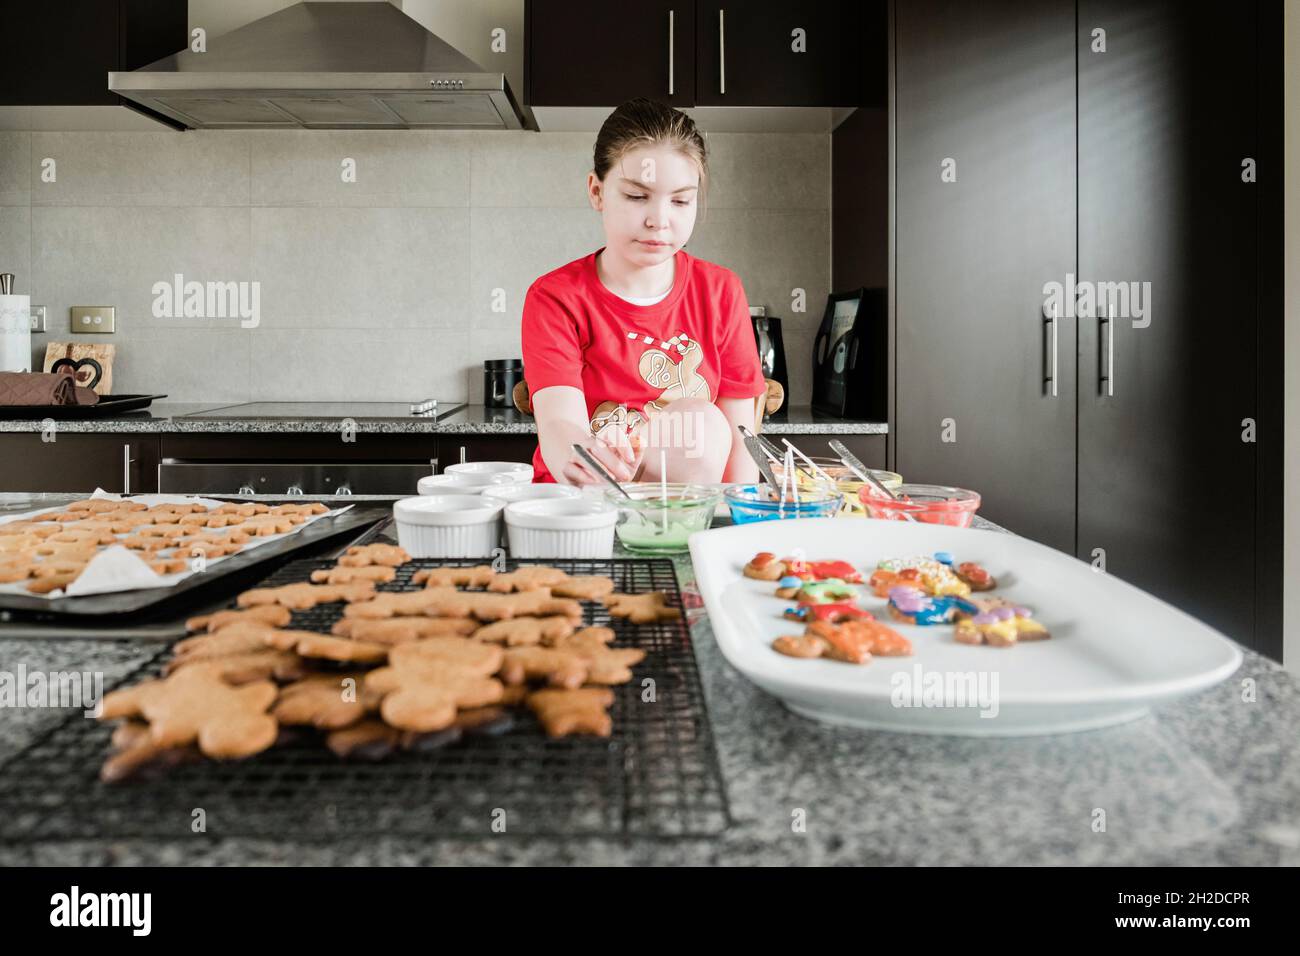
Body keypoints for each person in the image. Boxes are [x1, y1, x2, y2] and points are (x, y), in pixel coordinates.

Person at [520, 97, 767, 486]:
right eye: (637, 196)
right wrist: (586, 460)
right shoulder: (556, 296)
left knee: (700, 422)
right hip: (584, 507)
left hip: (688, 511)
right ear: (597, 192)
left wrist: (738, 526)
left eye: (682, 200)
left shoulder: (721, 291)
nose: (659, 220)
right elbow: (559, 422)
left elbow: (740, 443)